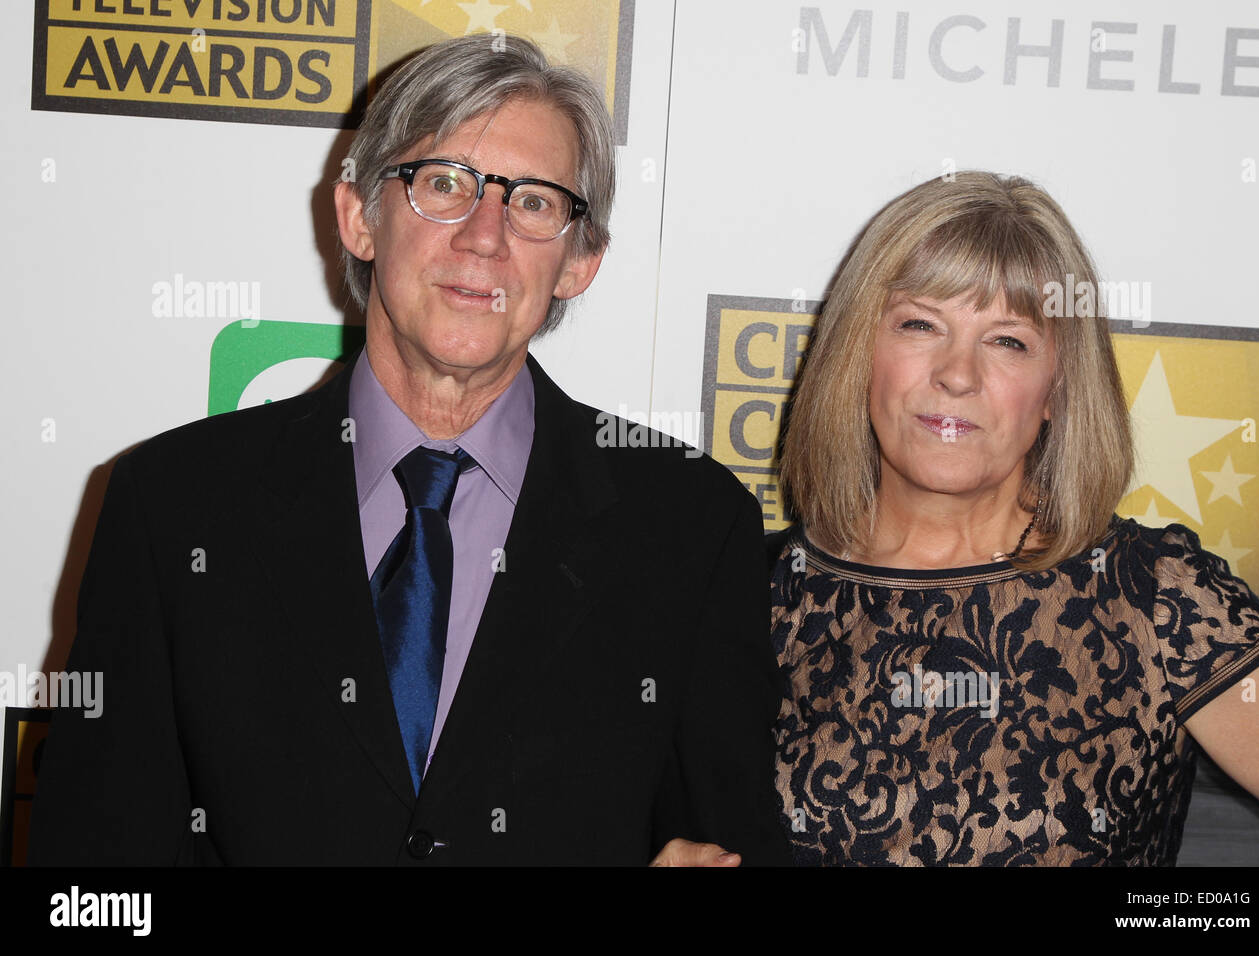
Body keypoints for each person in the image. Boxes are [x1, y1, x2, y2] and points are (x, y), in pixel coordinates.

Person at [28, 34, 791, 866]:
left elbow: (726, 843)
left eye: (533, 202)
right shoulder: (171, 506)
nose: (484, 235)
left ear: (581, 261)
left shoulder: (690, 525)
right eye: (443, 185)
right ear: (359, 216)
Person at [760, 171, 1259, 865]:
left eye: (1008, 340)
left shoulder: (1153, 595)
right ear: (858, 355)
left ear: (1057, 389)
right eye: (921, 324)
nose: (958, 374)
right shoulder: (757, 593)